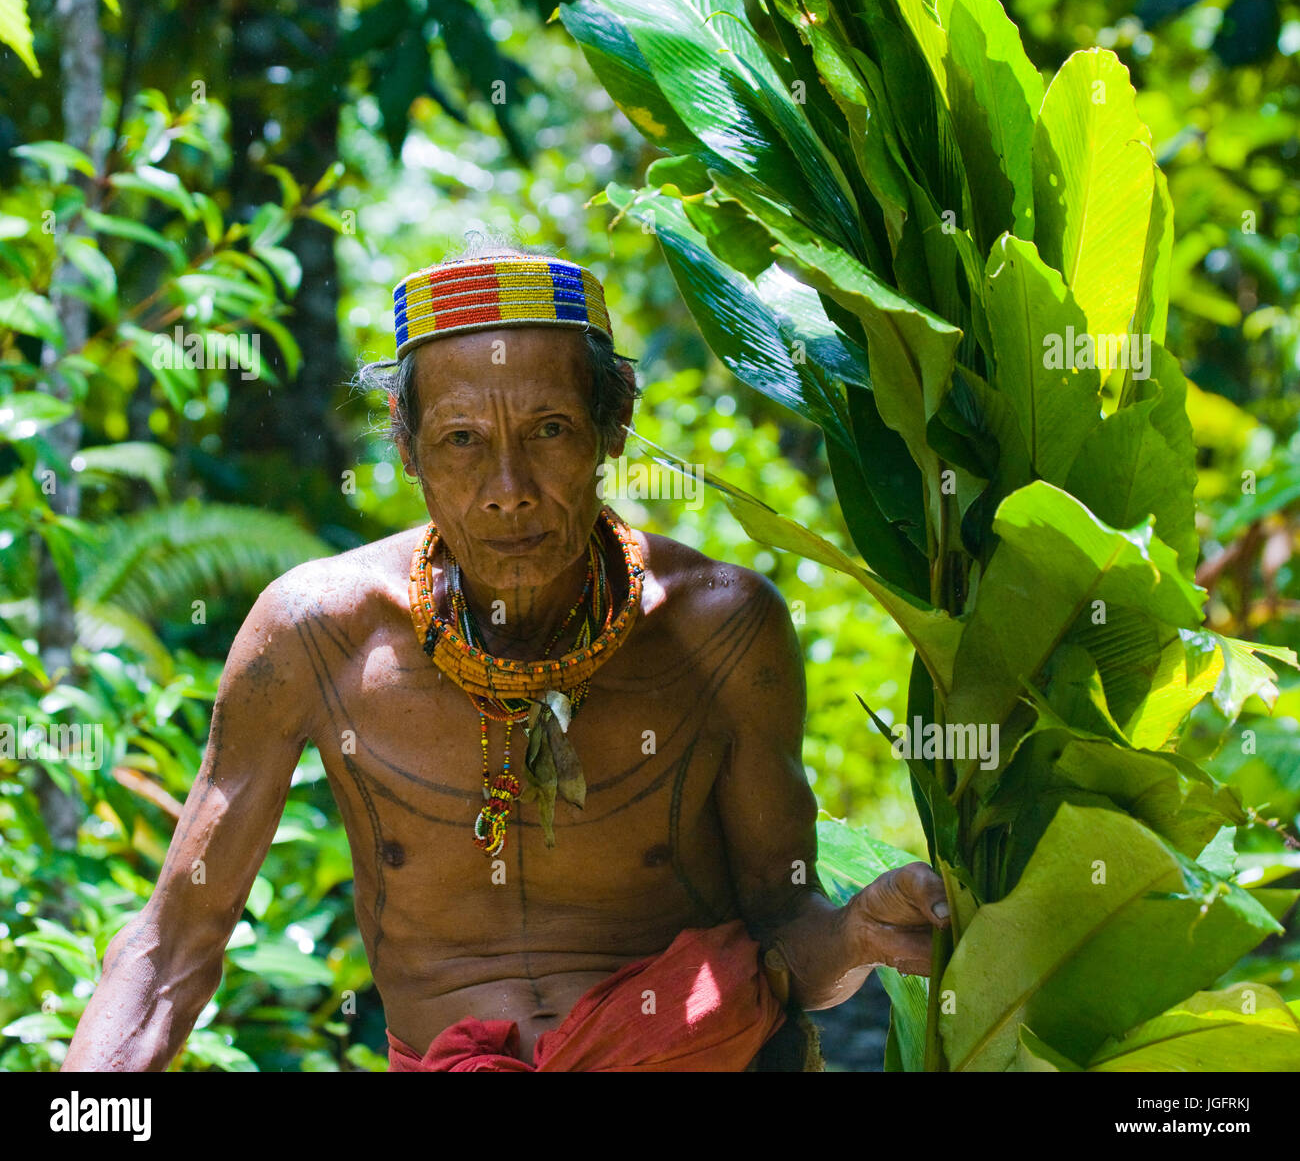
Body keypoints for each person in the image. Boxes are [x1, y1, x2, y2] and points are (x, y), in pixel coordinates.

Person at [63, 239, 950, 1072]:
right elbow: (173, 941)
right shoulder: (312, 633)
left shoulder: (720, 629)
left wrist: (863, 931)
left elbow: (785, 933)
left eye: (551, 430)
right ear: (405, 445)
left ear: (615, 422)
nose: (509, 491)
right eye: (461, 440)